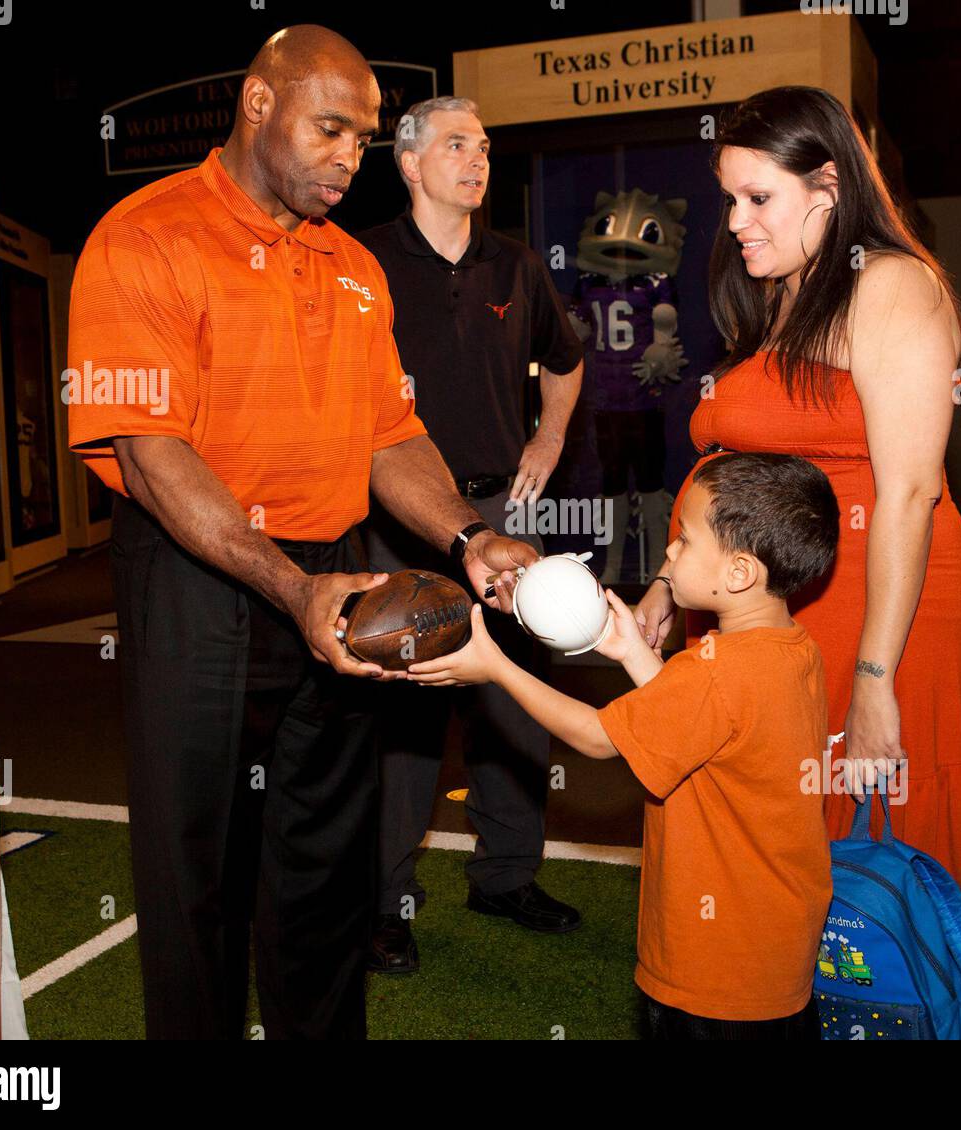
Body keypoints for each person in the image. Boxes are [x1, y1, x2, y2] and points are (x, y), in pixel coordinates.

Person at [66, 26, 539, 1039]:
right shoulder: (144, 235)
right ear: (258, 102)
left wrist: (465, 535)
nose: (346, 155)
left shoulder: (354, 265)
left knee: (325, 860)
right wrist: (289, 589)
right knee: (199, 872)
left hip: (334, 571)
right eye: (330, 127)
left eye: (363, 139)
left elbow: (388, 434)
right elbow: (154, 456)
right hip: (200, 577)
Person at [634, 85, 961, 913]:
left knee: (874, 844)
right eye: (730, 199)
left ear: (829, 187)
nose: (737, 222)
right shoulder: (780, 290)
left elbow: (909, 492)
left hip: (881, 593)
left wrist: (877, 675)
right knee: (777, 826)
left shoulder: (894, 286)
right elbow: (734, 460)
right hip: (781, 591)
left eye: (759, 198)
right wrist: (667, 577)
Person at [409, 452, 839, 1039]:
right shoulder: (792, 650)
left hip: (712, 968)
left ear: (739, 572)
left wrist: (496, 667)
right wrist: (634, 653)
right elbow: (702, 727)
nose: (669, 553)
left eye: (684, 541)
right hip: (775, 952)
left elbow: (596, 736)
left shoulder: (712, 673)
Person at [355, 96, 585, 972]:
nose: (476, 159)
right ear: (409, 163)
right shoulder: (363, 262)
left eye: (484, 146)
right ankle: (384, 905)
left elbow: (565, 363)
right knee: (406, 728)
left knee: (515, 709)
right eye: (457, 144)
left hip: (500, 519)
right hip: (394, 524)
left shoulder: (519, 267)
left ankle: (506, 879)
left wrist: (549, 436)